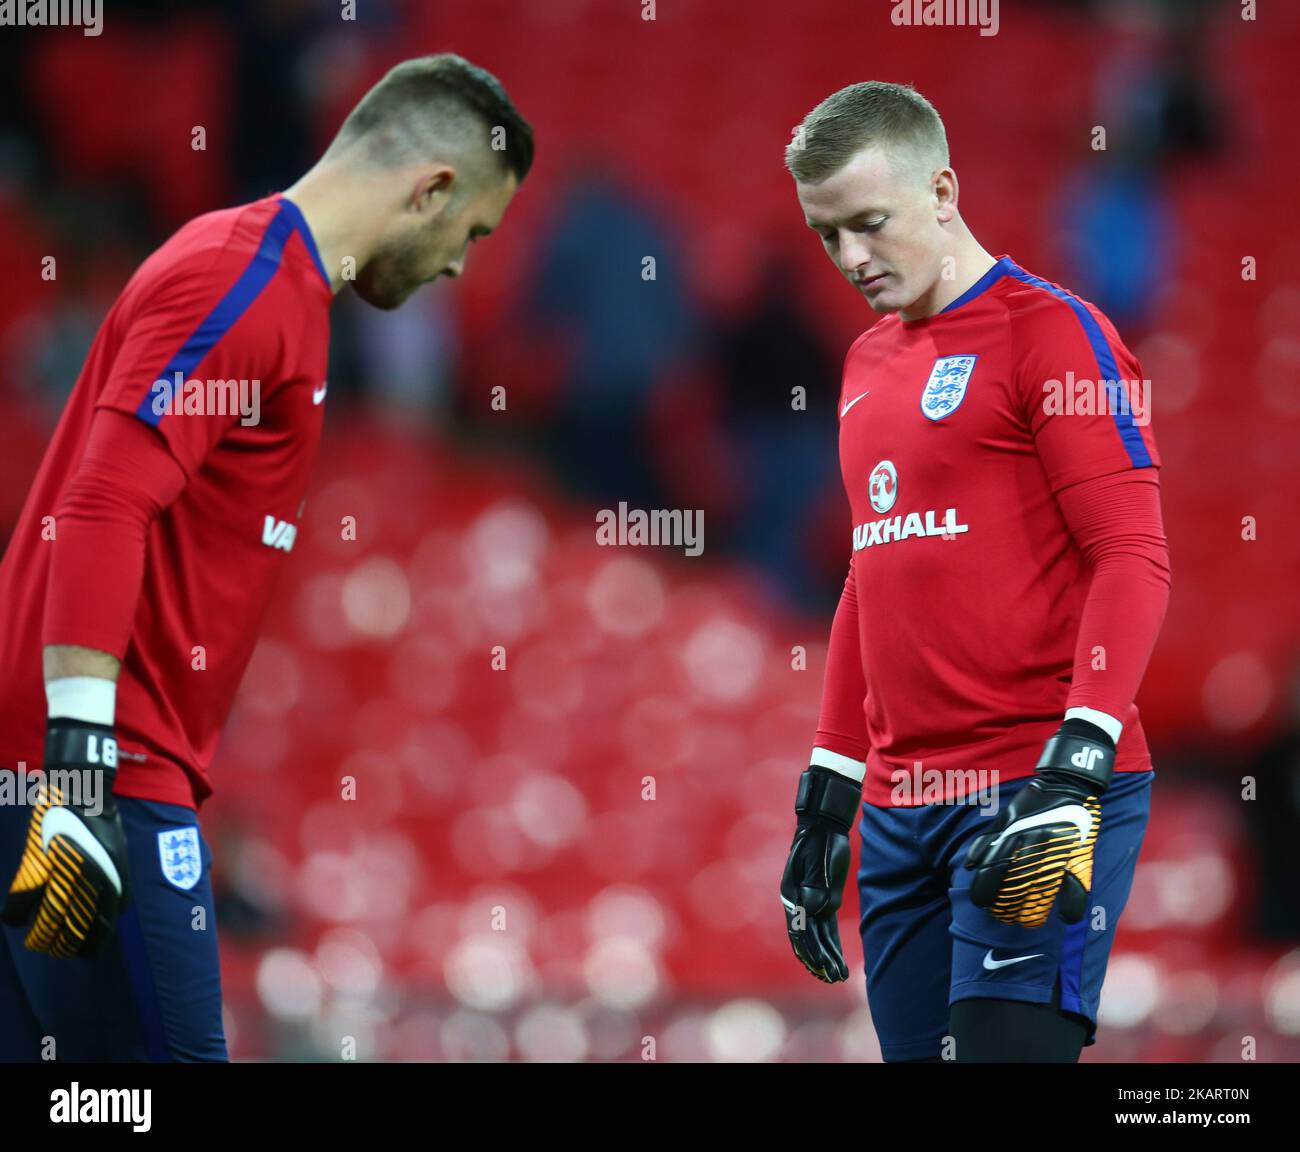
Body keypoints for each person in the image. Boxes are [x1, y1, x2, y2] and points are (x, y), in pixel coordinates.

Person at [0, 53, 533, 1062]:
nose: (461, 263)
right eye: (470, 231)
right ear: (428, 190)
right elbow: (105, 499)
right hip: (98, 784)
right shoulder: (245, 284)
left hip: (45, 779)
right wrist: (78, 770)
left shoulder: (263, 285)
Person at [777, 82, 1170, 1063]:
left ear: (942, 189)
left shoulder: (1053, 334)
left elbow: (1131, 554)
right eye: (829, 237)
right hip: (901, 813)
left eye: (869, 224)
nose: (852, 259)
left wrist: (1074, 769)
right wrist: (828, 794)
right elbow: (871, 577)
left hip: (1036, 788)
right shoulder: (865, 363)